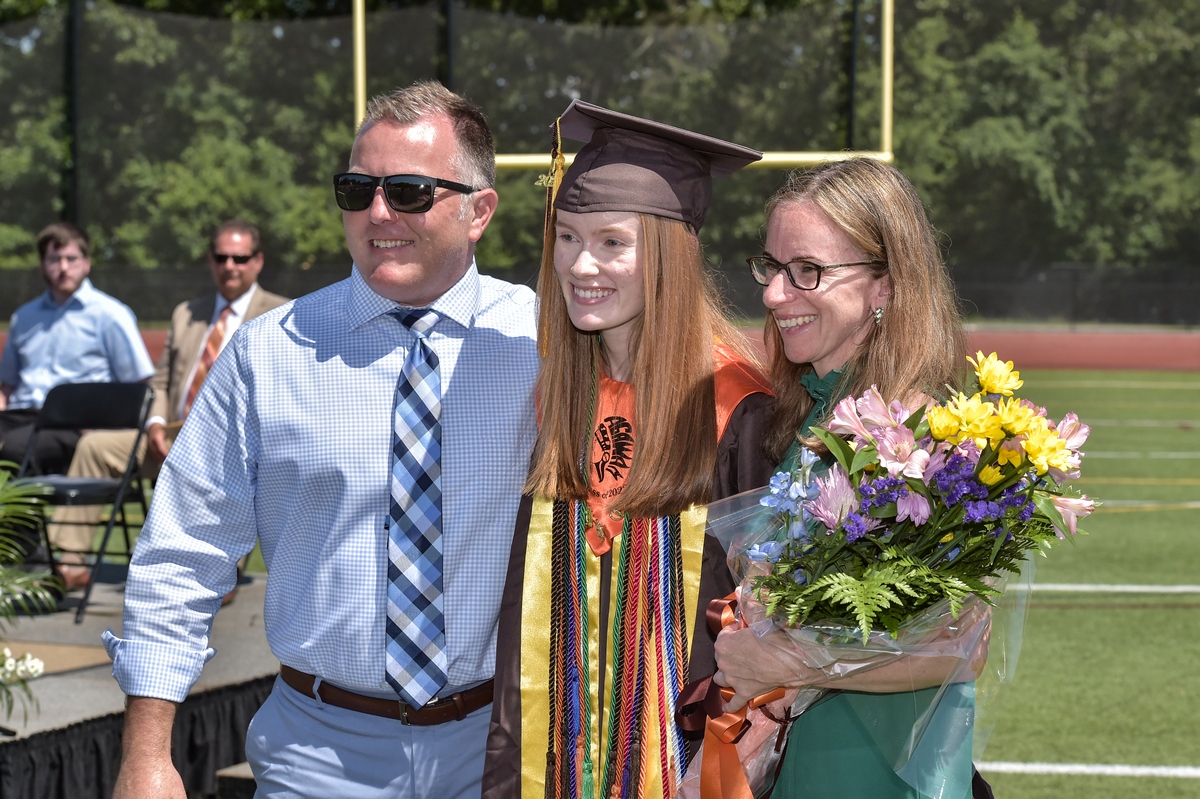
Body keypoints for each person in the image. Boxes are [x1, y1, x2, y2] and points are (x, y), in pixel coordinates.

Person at [103, 81, 539, 799]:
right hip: (319, 753)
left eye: (407, 191)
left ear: (478, 211)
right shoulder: (268, 353)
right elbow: (183, 552)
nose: (376, 213)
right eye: (357, 188)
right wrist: (147, 755)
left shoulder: (540, 342)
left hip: (496, 745)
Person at [482, 101, 774, 799]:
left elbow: (768, 635)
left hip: (688, 767)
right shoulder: (557, 400)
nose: (581, 264)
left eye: (612, 241)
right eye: (569, 235)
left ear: (668, 254)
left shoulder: (740, 410)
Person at [713, 158, 994, 798]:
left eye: (807, 271)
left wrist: (791, 664)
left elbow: (963, 647)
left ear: (885, 286)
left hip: (876, 770)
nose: (774, 294)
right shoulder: (794, 421)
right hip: (795, 766)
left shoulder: (924, 439)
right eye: (772, 268)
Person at [47, 219, 289, 592]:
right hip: (171, 434)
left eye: (239, 258)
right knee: (95, 447)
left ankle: (217, 572)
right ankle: (68, 564)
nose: (230, 266)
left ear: (257, 261)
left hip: (233, 439)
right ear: (210, 260)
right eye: (221, 257)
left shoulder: (281, 314)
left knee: (235, 465)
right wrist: (156, 423)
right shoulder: (186, 313)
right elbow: (160, 382)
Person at [0, 222, 155, 474]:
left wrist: (103, 425)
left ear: (86, 263)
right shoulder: (23, 317)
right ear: (42, 264)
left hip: (74, 424)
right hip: (22, 413)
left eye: (71, 259)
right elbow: (7, 387)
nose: (63, 268)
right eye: (54, 259)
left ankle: (27, 515)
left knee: (15, 449)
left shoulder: (111, 315)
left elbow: (139, 385)